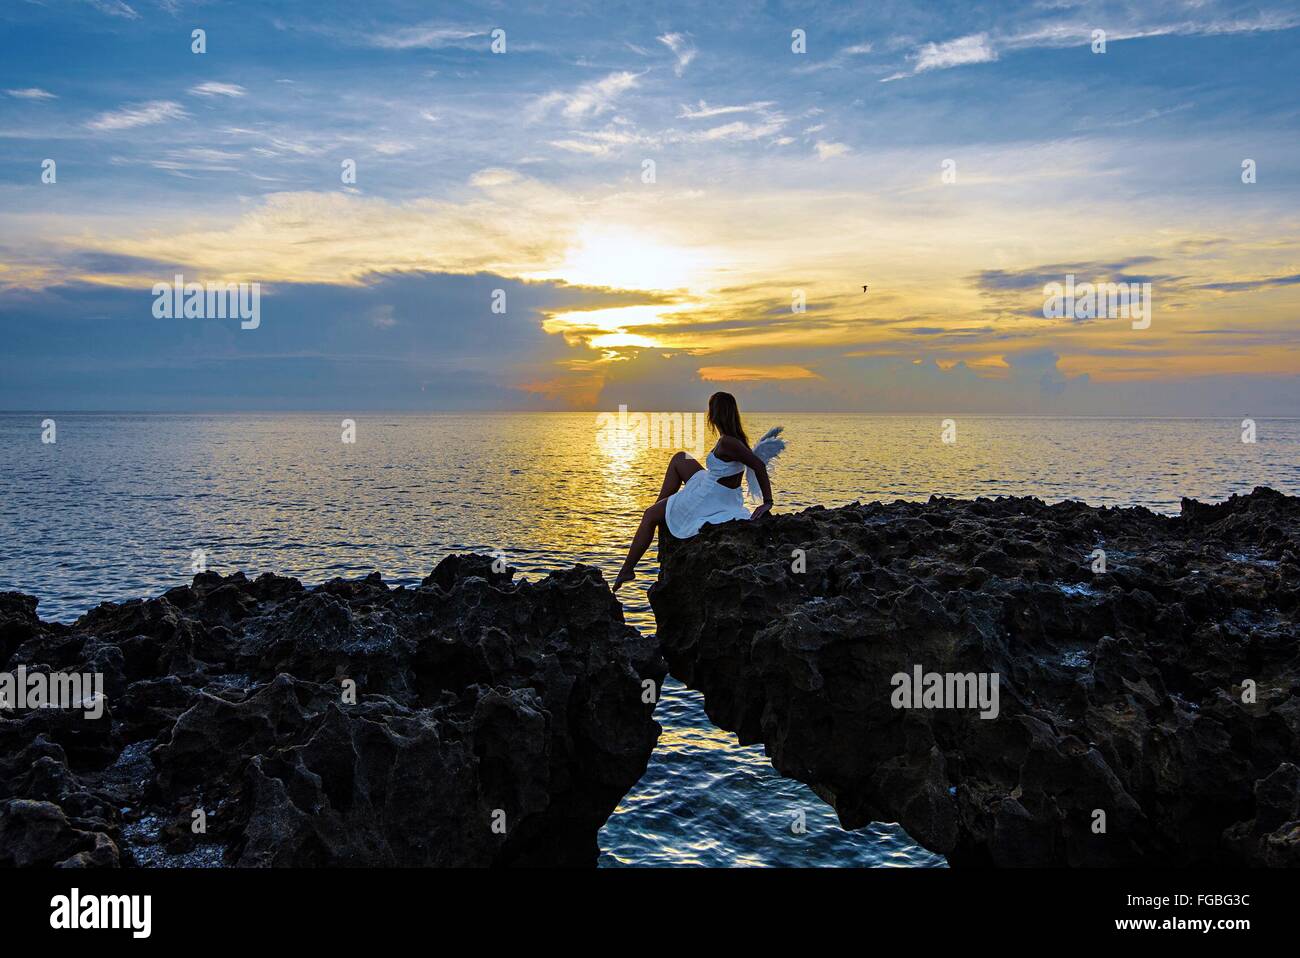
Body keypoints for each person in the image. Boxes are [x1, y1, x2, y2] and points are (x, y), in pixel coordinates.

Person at [612, 392, 776, 592]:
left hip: (710, 495)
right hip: (713, 484)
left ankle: (628, 569)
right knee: (680, 458)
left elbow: (759, 466)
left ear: (715, 414)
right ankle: (662, 507)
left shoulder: (728, 442)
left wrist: (768, 501)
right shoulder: (734, 439)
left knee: (649, 515)